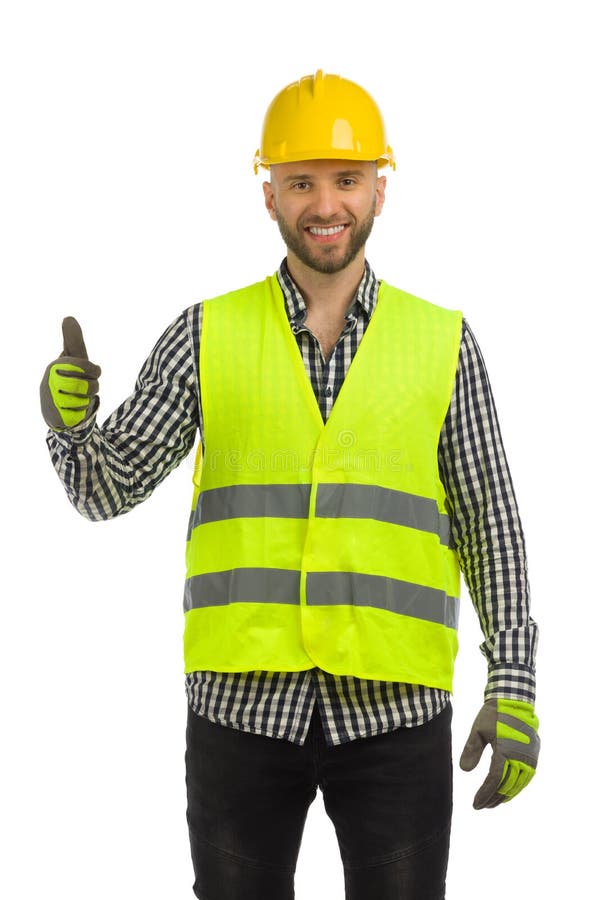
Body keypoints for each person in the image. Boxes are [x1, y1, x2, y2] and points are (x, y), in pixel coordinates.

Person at [40, 69, 540, 900]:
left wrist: (514, 681)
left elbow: (492, 523)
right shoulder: (205, 334)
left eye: (346, 179)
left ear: (381, 188)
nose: (325, 204)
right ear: (267, 193)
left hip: (395, 718)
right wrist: (72, 428)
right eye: (301, 182)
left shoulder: (445, 344)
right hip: (240, 715)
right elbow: (105, 489)